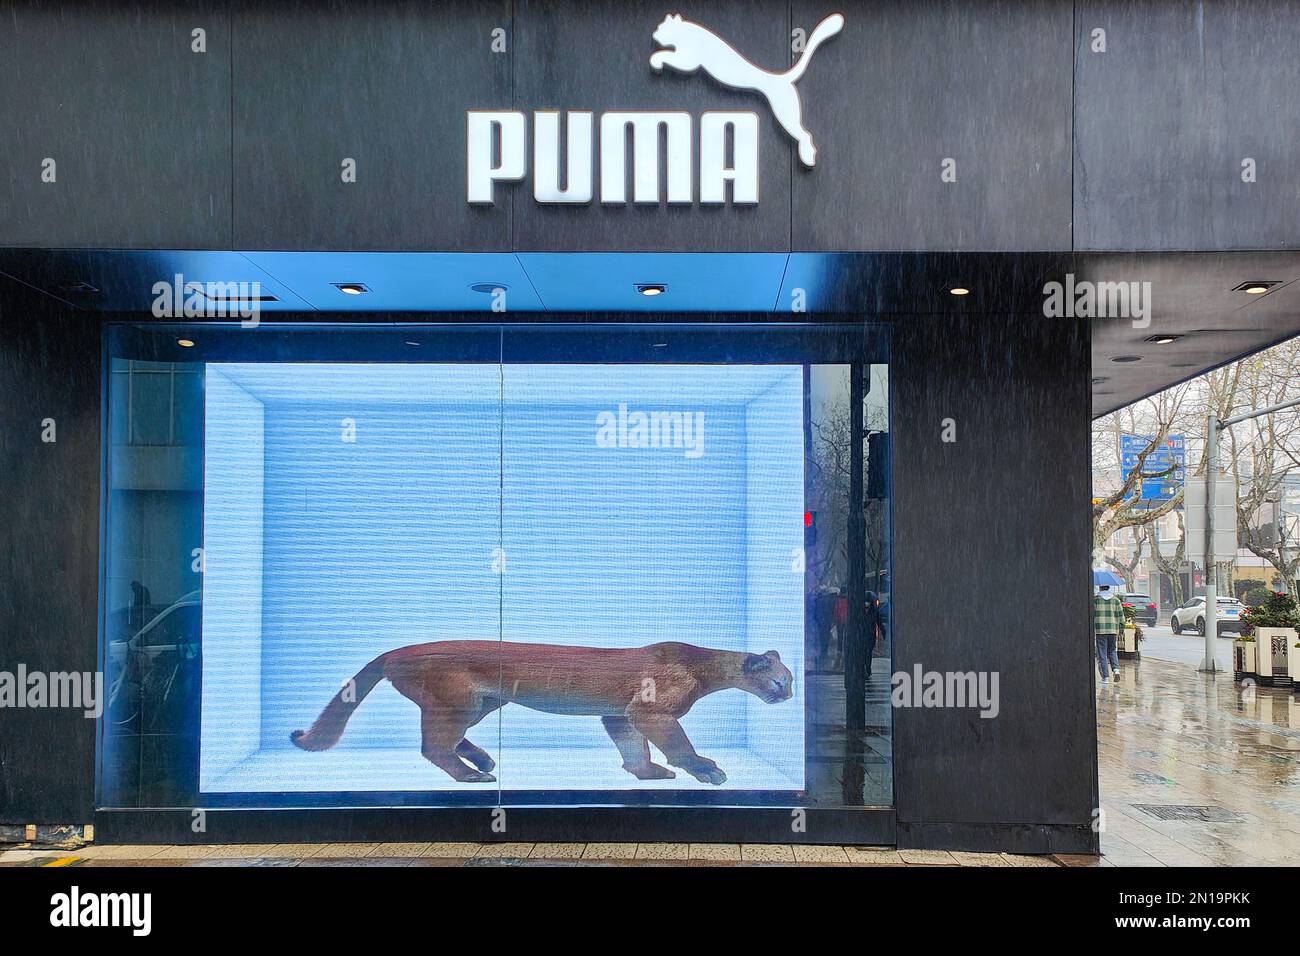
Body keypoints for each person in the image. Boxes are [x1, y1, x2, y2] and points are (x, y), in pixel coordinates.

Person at [1093, 584, 1124, 684]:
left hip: (1100, 630)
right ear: (1108, 587)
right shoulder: (1116, 600)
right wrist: (1121, 627)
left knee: (1102, 653)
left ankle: (1105, 677)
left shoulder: (1096, 600)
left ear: (1100, 587)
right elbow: (1121, 616)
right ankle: (1116, 670)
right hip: (1112, 630)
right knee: (1112, 651)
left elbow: (1091, 614)